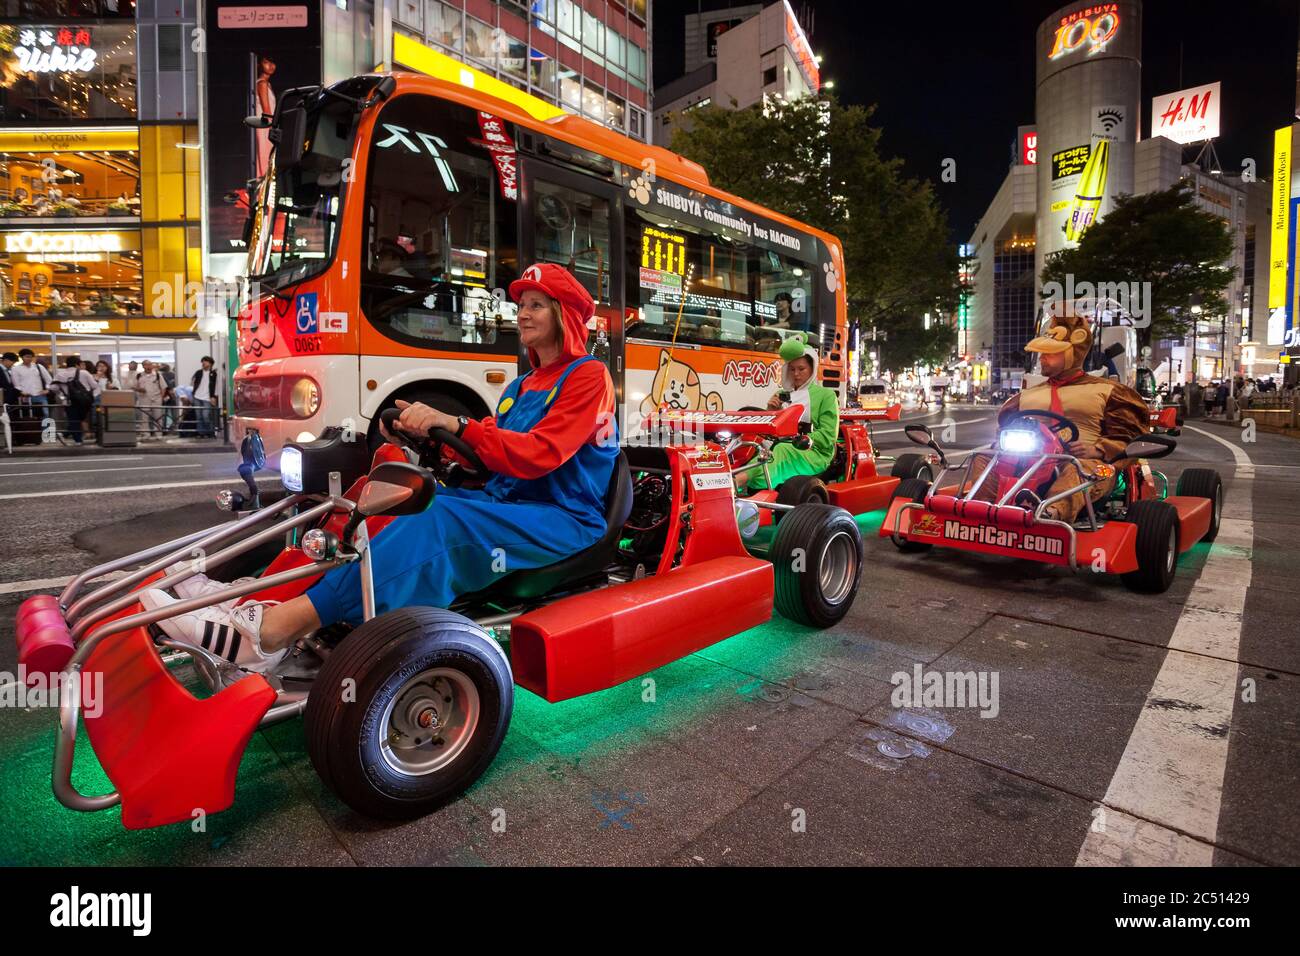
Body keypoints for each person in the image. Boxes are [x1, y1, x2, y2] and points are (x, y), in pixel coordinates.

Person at [139, 263, 619, 672]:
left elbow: (537, 454)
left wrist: (456, 422)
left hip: (560, 516)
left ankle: (270, 634)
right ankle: (252, 600)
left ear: (565, 316)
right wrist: (426, 436)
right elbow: (486, 453)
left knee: (439, 521)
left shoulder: (589, 378)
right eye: (522, 304)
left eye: (537, 304)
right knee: (379, 493)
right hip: (505, 501)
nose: (524, 313)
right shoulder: (521, 385)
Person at [968, 308, 1148, 524]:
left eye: (1050, 354)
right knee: (984, 458)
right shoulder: (1028, 394)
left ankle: (1050, 515)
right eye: (1042, 354)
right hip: (1030, 458)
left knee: (1076, 469)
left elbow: (1132, 438)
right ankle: (981, 511)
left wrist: (1098, 449)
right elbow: (1005, 427)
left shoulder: (1108, 390)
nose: (1042, 359)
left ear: (1071, 354)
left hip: (1088, 463)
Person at [735, 334, 839, 493]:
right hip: (780, 445)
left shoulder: (826, 395)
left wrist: (803, 439)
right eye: (792, 369)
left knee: (782, 450)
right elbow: (768, 430)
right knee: (749, 445)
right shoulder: (782, 394)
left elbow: (828, 435)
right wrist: (771, 410)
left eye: (801, 369)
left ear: (812, 369)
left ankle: (737, 481)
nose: (796, 374)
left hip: (815, 453)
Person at [54, 355, 96, 444]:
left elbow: (53, 387)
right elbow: (94, 386)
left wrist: (61, 392)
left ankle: (75, 439)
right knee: (80, 419)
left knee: (73, 419)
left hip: (68, 401)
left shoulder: (60, 374)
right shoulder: (84, 373)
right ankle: (72, 436)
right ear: (78, 364)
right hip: (84, 401)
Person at [254, 55, 277, 179]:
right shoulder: (262, 83)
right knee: (265, 157)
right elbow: (267, 110)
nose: (270, 66)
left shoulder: (267, 85)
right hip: (264, 126)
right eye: (266, 62)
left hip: (267, 125)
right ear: (259, 65)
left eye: (272, 63)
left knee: (268, 157)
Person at [10, 348, 53, 416]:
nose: (29, 358)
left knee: (45, 414)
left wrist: (47, 389)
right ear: (22, 357)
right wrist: (21, 392)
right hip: (25, 397)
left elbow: (49, 380)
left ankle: (45, 427)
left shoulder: (38, 367)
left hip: (40, 395)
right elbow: (16, 384)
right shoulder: (15, 369)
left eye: (30, 357)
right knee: (29, 416)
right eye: (26, 357)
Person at [134, 359, 167, 437]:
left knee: (158, 418)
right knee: (144, 418)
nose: (148, 366)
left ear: (152, 366)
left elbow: (163, 387)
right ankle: (146, 434)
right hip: (144, 399)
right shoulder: (139, 376)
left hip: (156, 399)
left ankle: (158, 434)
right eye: (146, 365)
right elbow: (136, 387)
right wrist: (139, 389)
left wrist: (161, 398)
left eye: (149, 364)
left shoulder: (158, 375)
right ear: (143, 366)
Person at [190, 355, 220, 437]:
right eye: (202, 361)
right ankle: (201, 433)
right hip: (197, 396)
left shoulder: (214, 374)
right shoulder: (198, 372)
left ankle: (210, 432)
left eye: (205, 361)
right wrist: (193, 393)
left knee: (206, 415)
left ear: (210, 363)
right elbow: (192, 382)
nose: (203, 363)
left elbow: (216, 386)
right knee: (198, 416)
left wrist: (214, 396)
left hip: (207, 398)